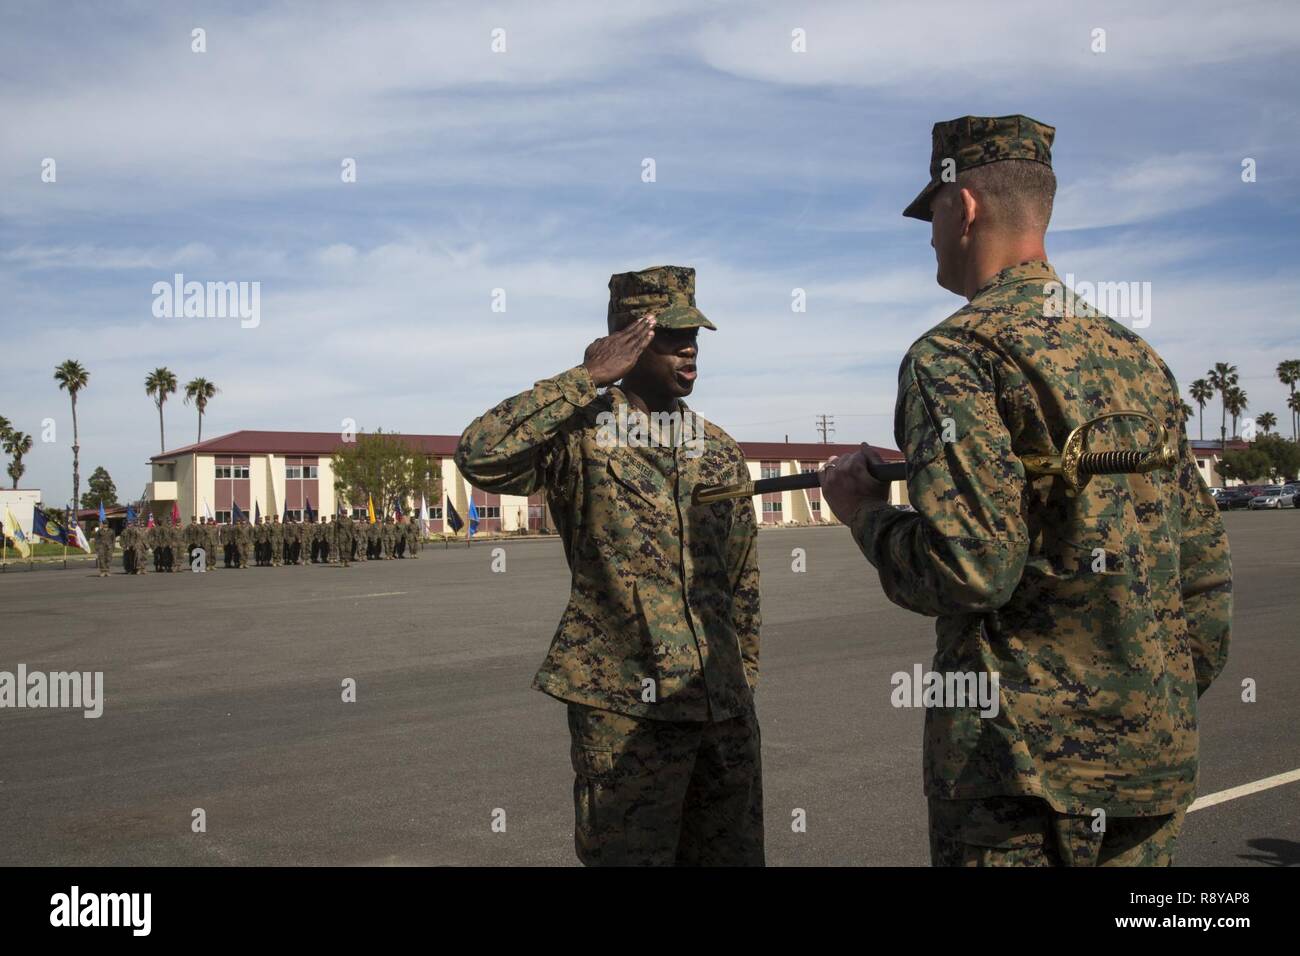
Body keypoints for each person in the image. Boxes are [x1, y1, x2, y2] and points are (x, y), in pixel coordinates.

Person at [818, 114, 1233, 867]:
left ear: (964, 207)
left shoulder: (955, 353)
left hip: (1020, 780)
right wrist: (1148, 708)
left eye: (932, 213)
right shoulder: (1138, 358)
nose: (931, 235)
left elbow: (969, 569)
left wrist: (867, 516)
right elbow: (1203, 576)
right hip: (1150, 768)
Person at [457, 265, 763, 866]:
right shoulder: (581, 436)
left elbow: (742, 577)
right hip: (625, 704)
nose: (690, 346)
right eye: (671, 334)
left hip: (720, 707)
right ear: (630, 339)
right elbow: (480, 455)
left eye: (695, 334)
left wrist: (741, 680)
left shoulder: (720, 449)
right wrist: (584, 377)